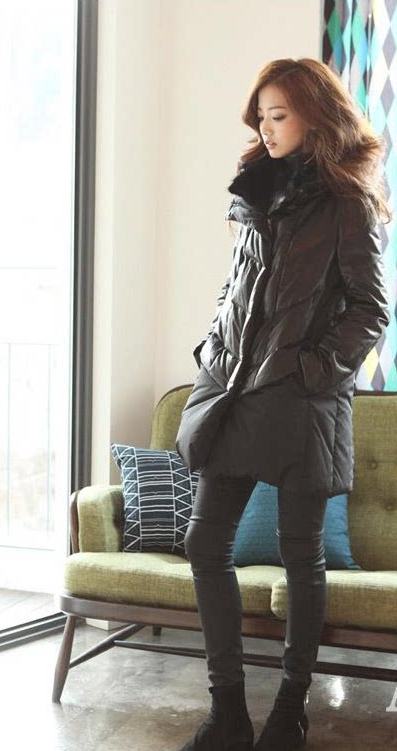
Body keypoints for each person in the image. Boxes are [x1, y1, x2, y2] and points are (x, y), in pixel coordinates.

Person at [175, 57, 391, 751]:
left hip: (300, 401)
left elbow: (370, 310)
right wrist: (212, 344)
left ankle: (290, 709)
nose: (266, 130)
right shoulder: (253, 190)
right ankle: (227, 711)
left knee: (301, 553)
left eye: (280, 115)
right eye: (261, 117)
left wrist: (311, 369)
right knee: (205, 541)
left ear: (314, 117)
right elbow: (236, 287)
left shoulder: (348, 203)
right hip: (234, 389)